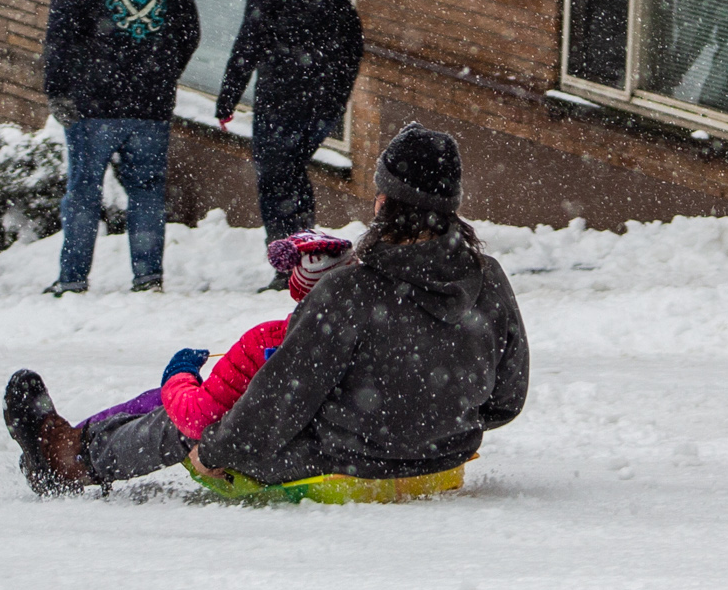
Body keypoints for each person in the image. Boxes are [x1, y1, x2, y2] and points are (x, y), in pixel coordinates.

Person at [187, 123, 527, 486]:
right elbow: (508, 397)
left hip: (345, 462)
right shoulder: (487, 277)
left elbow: (284, 396)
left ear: (386, 201)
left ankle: (118, 454)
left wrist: (214, 448)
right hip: (446, 456)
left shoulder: (350, 290)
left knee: (185, 422)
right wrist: (439, 425)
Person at [2, 232, 353, 494]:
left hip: (304, 457)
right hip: (381, 450)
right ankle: (78, 437)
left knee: (180, 418)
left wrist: (178, 374)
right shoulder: (384, 330)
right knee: (160, 399)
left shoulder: (269, 342)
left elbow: (197, 416)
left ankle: (70, 461)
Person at [41, 0, 201, 295]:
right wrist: (163, 73)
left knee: (82, 193)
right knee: (147, 192)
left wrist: (59, 88)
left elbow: (61, 33)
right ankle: (148, 277)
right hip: (150, 103)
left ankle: (73, 279)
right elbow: (189, 28)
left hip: (92, 102)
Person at [215, 0, 367, 283]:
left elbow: (246, 45)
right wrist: (338, 91)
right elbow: (353, 39)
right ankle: (306, 257)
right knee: (292, 175)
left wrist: (227, 100)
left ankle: (290, 265)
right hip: (322, 102)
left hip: (281, 103)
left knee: (276, 181)